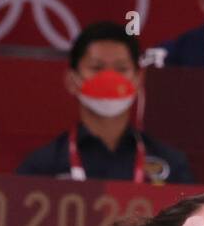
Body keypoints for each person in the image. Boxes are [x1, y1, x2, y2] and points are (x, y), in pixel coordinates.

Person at [17, 21, 193, 184]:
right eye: (96, 67)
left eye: (121, 69)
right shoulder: (41, 167)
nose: (110, 78)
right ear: (71, 80)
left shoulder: (173, 165)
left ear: (139, 80)